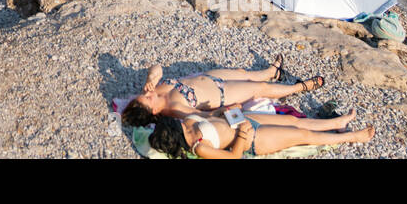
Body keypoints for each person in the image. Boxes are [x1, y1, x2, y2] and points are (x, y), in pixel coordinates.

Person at [120, 59, 325, 125]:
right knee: (259, 89)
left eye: (144, 94)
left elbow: (156, 67)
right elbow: (202, 116)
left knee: (242, 72)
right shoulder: (174, 109)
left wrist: (150, 79)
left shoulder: (153, 90)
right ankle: (300, 87)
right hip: (223, 93)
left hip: (209, 77)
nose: (148, 93)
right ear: (153, 111)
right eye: (148, 98)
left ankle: (271, 72)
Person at [147, 111, 373, 160]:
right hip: (251, 137)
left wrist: (228, 111)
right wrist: (243, 139)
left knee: (293, 121)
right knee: (301, 134)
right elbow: (234, 157)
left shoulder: (187, 122)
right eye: (178, 125)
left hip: (240, 117)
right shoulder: (200, 147)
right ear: (176, 135)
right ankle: (353, 137)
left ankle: (338, 122)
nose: (182, 122)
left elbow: (209, 114)